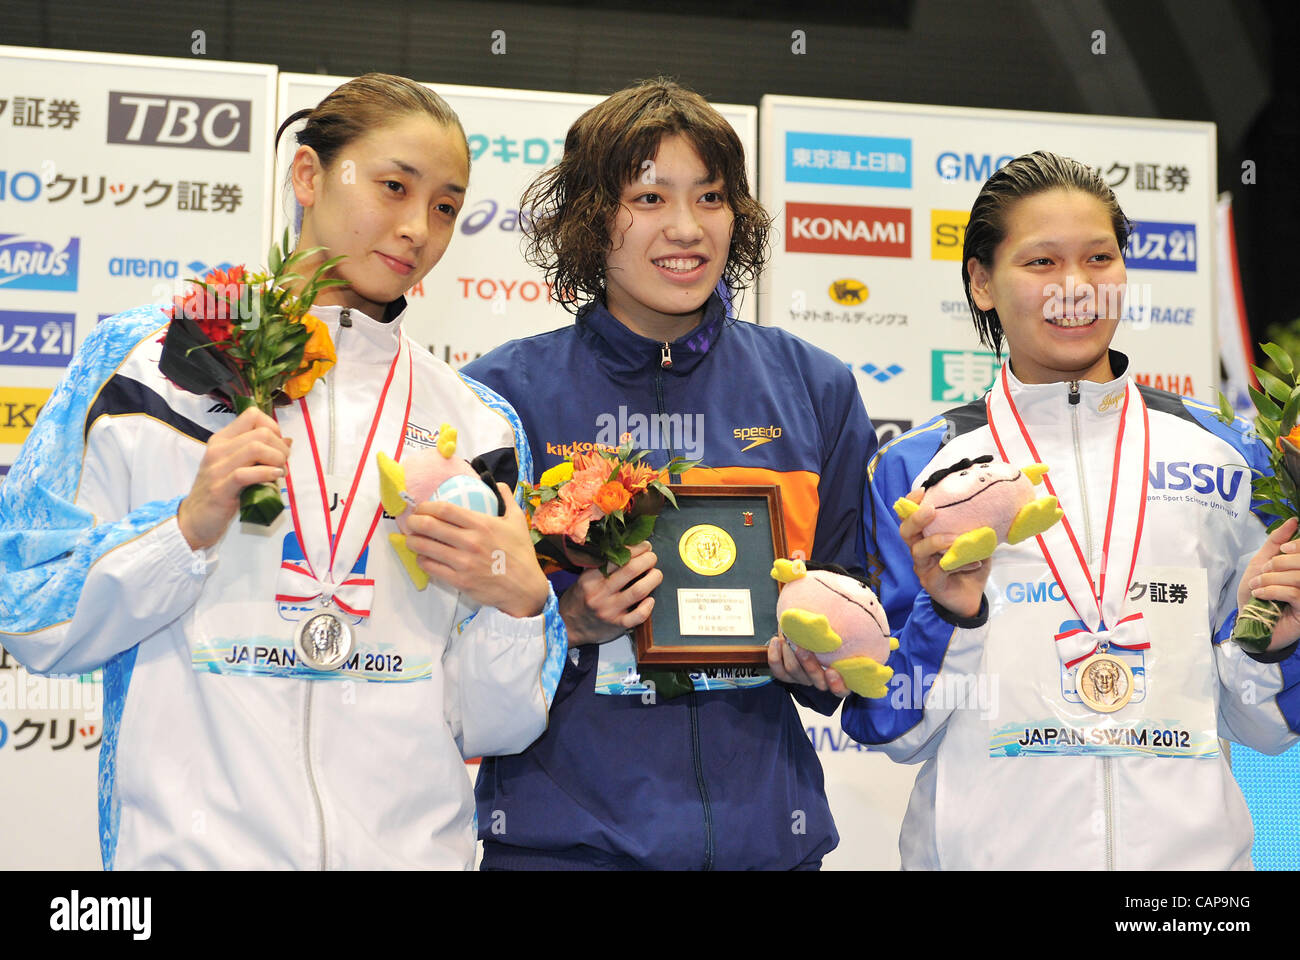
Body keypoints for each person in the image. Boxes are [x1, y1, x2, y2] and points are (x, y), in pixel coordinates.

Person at [0, 73, 567, 870]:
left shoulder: (477, 425)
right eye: (393, 187)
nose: (417, 229)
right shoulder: (149, 364)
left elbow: (494, 725)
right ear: (307, 176)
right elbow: (28, 612)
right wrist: (184, 530)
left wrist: (517, 603)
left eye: (445, 206)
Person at [841, 150, 1300, 869]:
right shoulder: (916, 471)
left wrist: (1271, 643)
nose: (1076, 289)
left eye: (1098, 258)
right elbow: (893, 732)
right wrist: (951, 615)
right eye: (1042, 263)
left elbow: (1267, 729)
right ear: (981, 282)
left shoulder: (1231, 456)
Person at [462, 78, 876, 870]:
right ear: (587, 217)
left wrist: (820, 647)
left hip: (768, 841)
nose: (686, 228)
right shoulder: (503, 396)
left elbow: (855, 610)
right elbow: (457, 635)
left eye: (711, 196)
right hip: (564, 845)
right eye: (648, 198)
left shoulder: (814, 388)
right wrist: (570, 621)